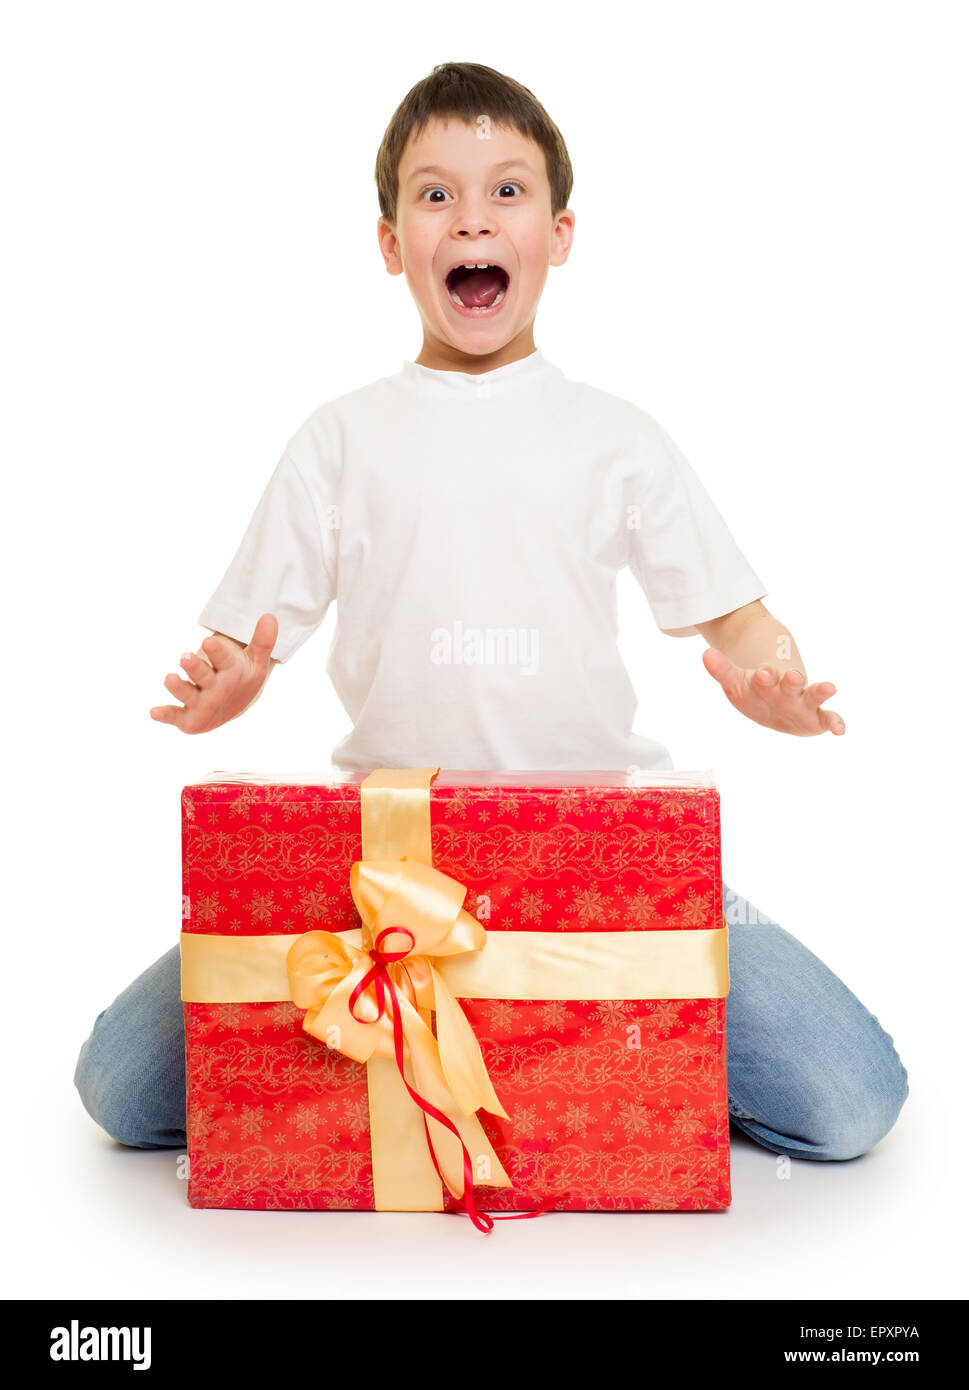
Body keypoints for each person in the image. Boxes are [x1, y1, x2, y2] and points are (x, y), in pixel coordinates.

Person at [75, 61, 907, 1164]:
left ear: (560, 234)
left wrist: (777, 681)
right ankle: (498, 1034)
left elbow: (743, 624)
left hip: (607, 859)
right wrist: (228, 676)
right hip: (384, 878)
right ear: (390, 244)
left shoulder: (617, 437)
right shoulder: (339, 439)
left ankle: (519, 1036)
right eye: (436, 195)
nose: (473, 217)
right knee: (117, 1088)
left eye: (507, 191)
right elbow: (246, 637)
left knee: (852, 1102)